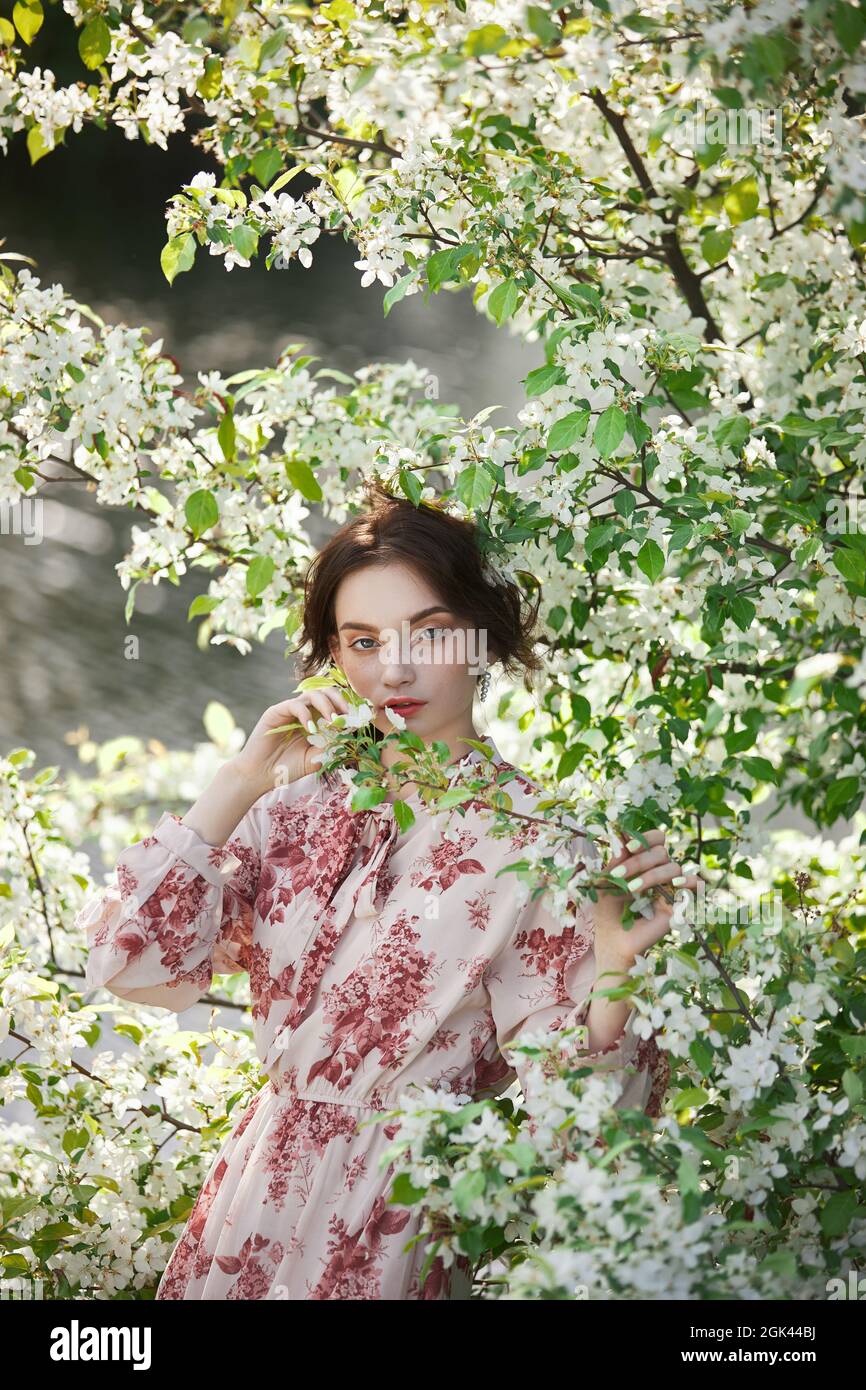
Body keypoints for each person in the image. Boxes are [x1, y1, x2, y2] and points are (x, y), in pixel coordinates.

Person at [76, 482, 694, 1300]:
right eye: (362, 642)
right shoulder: (294, 805)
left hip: (393, 1222)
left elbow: (581, 1140)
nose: (393, 669)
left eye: (429, 635)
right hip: (251, 1202)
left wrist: (614, 972)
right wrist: (238, 782)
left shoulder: (546, 844)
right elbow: (130, 967)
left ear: (485, 637)